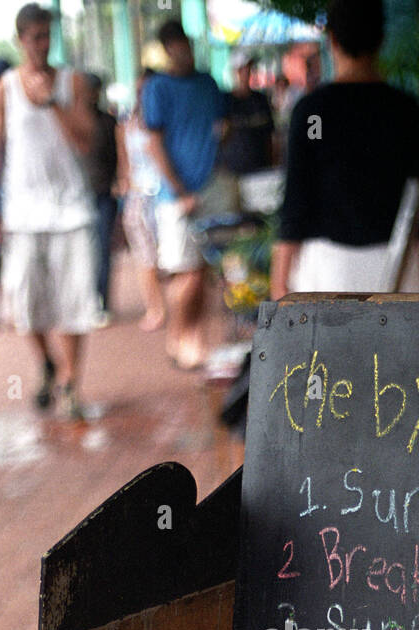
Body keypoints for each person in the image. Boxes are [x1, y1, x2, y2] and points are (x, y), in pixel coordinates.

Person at [0, 3, 98, 421]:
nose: (42, 46)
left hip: (71, 211)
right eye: (34, 38)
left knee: (75, 302)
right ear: (20, 40)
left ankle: (69, 383)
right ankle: (47, 362)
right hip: (23, 215)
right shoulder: (5, 87)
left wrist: (53, 104)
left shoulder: (73, 81)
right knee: (26, 306)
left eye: (47, 36)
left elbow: (86, 140)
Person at [271, 0, 419, 297]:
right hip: (399, 266)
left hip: (328, 270)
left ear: (332, 39)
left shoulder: (312, 110)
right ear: (381, 39)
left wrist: (279, 285)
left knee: (327, 347)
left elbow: (296, 201)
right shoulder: (407, 110)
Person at [142, 19, 236, 369]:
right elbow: (153, 143)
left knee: (204, 271)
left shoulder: (207, 83)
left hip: (210, 186)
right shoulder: (157, 87)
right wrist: (180, 190)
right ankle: (180, 337)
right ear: (168, 48)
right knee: (187, 272)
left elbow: (221, 128)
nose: (186, 51)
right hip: (176, 195)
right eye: (179, 45)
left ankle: (189, 338)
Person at [117, 68, 165, 332]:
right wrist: (125, 186)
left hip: (164, 194)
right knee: (144, 257)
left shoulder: (164, 120)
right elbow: (125, 164)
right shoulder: (127, 123)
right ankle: (155, 308)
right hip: (140, 195)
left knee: (170, 259)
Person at [84, 73, 119, 324]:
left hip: (104, 193)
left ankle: (102, 301)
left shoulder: (107, 121)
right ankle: (86, 300)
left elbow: (117, 157)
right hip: (80, 197)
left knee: (103, 248)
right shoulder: (73, 120)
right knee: (84, 250)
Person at [220, 54, 275, 189]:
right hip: (234, 171)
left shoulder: (260, 100)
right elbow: (220, 136)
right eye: (242, 69)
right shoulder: (225, 101)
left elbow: (270, 135)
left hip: (261, 168)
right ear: (235, 72)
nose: (246, 73)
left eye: (248, 69)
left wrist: (273, 161)